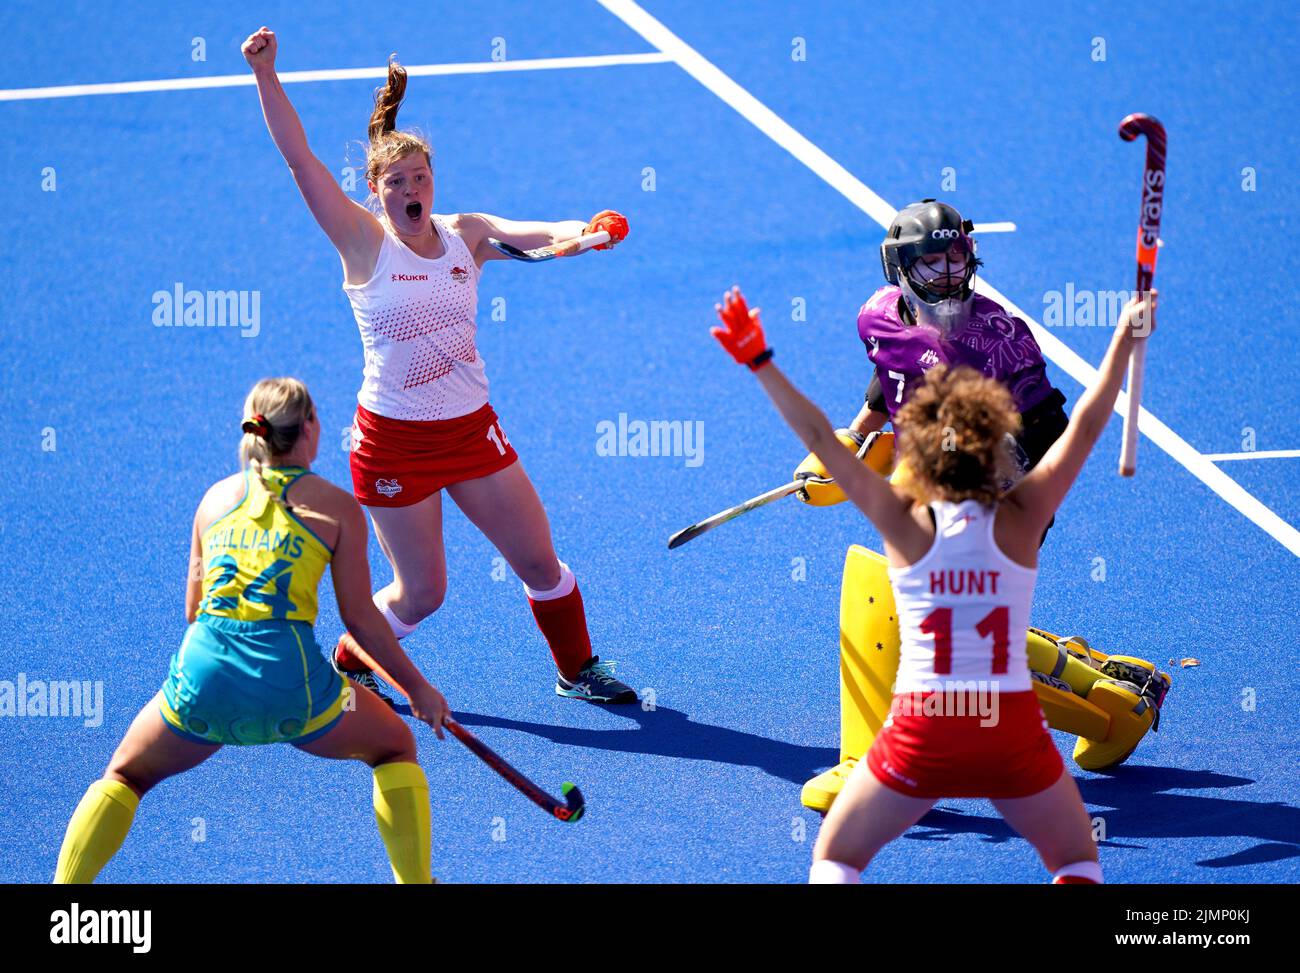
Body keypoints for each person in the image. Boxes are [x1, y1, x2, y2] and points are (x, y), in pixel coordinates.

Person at [243, 27, 636, 704]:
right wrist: (265, 75)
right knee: (424, 594)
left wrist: (585, 231)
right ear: (377, 189)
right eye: (399, 181)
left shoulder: (466, 234)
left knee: (541, 561)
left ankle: (578, 669)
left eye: (422, 177)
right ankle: (351, 652)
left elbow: (536, 231)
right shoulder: (363, 243)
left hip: (471, 430)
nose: (413, 188)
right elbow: (302, 163)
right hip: (394, 442)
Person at [712, 284, 1156, 883]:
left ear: (918, 456)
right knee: (1076, 861)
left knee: (837, 859)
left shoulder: (903, 524)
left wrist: (759, 361)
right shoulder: (1023, 519)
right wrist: (1125, 340)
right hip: (1011, 739)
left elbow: (820, 438)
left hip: (924, 733)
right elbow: (1089, 419)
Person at [54, 378, 449, 884]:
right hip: (294, 685)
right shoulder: (336, 507)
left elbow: (194, 609)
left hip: (204, 676)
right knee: (393, 746)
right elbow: (360, 620)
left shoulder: (213, 500)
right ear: (309, 428)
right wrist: (417, 689)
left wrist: (225, 703)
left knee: (125, 776)